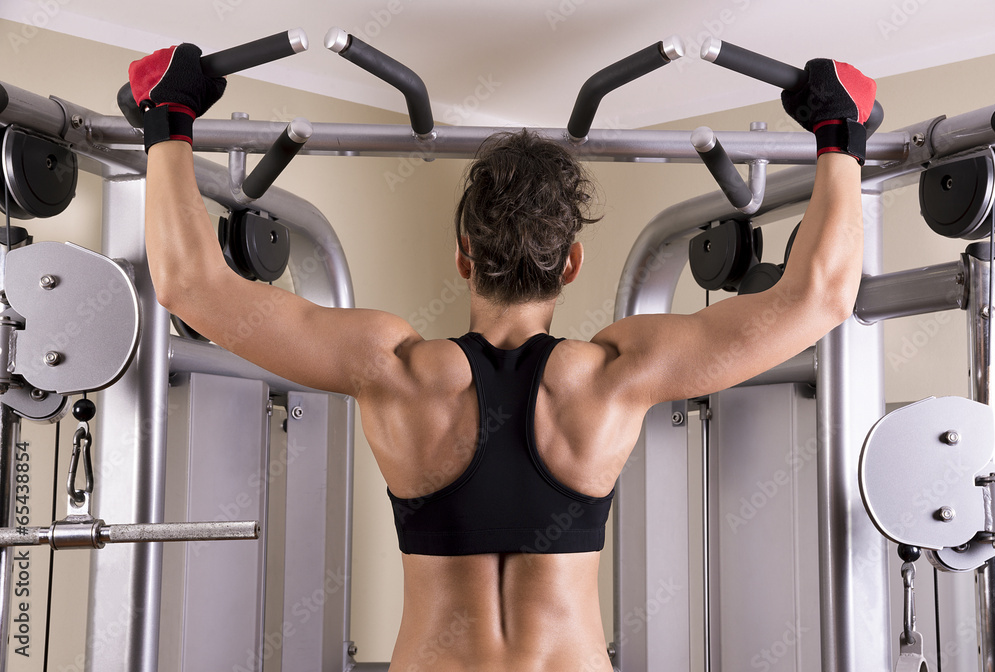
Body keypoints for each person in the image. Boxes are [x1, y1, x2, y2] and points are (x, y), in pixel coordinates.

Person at [128, 44, 874, 672]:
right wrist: (839, 133)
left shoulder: (394, 368)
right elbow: (819, 298)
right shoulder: (614, 377)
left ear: (463, 258)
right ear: (573, 262)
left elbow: (192, 285)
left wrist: (171, 119)